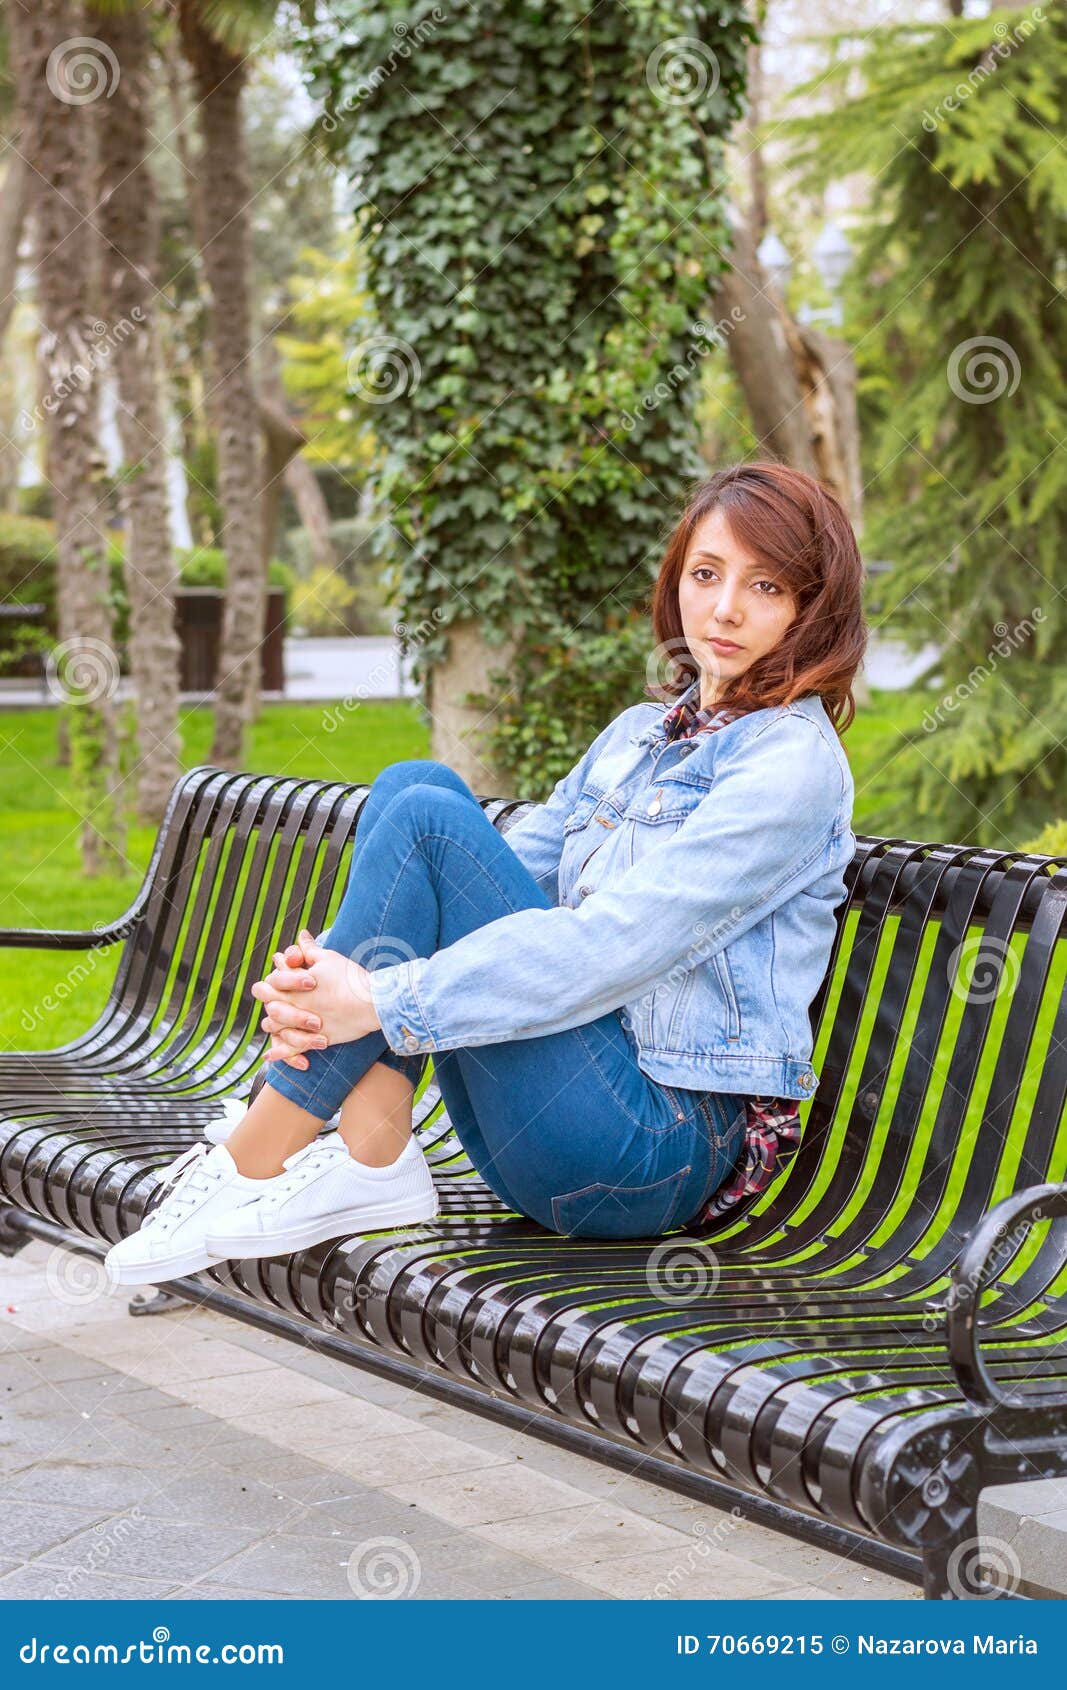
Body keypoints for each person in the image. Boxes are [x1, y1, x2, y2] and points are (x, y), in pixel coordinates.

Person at [104, 460, 866, 1287]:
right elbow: (519, 874)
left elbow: (618, 945)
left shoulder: (788, 765)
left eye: (765, 586)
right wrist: (338, 974)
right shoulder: (639, 735)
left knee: (428, 823)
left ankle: (252, 1160)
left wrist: (370, 999)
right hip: (554, 1118)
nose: (723, 608)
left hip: (647, 1152)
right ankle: (372, 1155)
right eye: (706, 574)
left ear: (811, 611)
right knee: (414, 789)